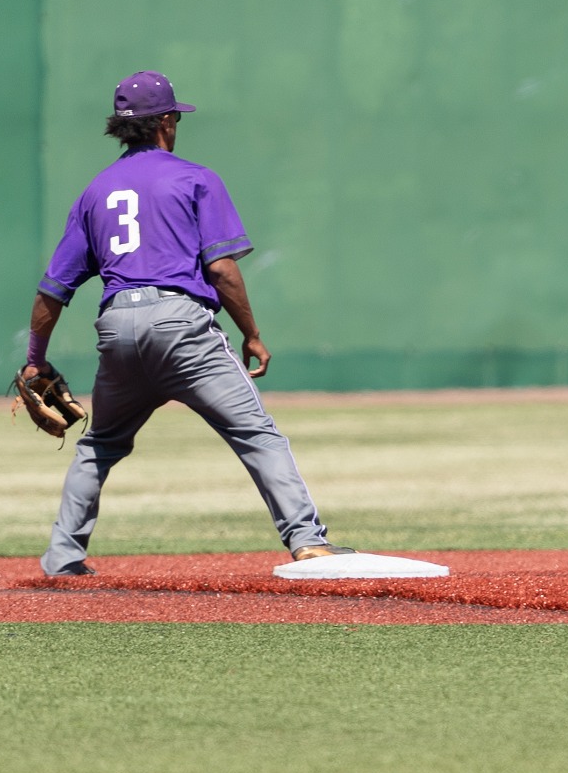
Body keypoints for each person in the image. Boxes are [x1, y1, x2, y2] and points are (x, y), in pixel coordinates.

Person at [24, 71, 351, 576]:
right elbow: (221, 269)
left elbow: (53, 291)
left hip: (117, 328)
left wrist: (34, 361)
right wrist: (252, 334)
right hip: (181, 327)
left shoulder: (94, 194)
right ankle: (307, 542)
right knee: (257, 435)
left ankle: (62, 558)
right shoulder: (194, 178)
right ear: (168, 121)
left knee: (100, 445)